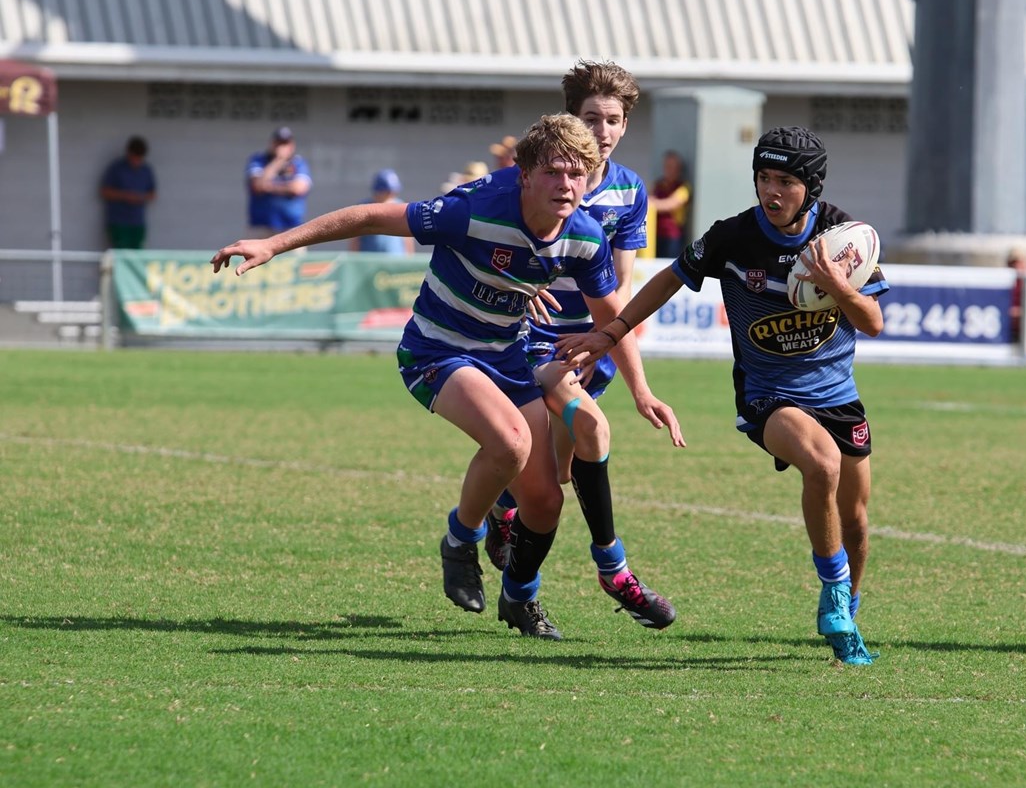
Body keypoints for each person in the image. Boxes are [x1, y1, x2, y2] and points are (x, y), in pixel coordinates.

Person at [211, 113, 683, 640]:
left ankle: (519, 600)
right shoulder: (473, 209)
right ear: (524, 174)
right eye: (554, 172)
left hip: (507, 358)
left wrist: (642, 388)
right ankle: (461, 539)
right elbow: (370, 217)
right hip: (436, 350)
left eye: (578, 174)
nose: (567, 185)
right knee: (511, 442)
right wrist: (273, 244)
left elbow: (609, 318)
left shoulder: (585, 238)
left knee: (546, 501)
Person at [557, 127, 886, 665]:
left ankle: (848, 606)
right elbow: (669, 279)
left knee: (856, 521)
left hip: (838, 393)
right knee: (821, 464)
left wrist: (839, 284)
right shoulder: (734, 237)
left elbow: (871, 322)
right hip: (769, 394)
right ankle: (831, 598)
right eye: (763, 177)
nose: (771, 191)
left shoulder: (843, 238)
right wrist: (612, 332)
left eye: (785, 181)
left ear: (812, 186)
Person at [468, 60, 679, 631]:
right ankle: (614, 570)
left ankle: (501, 514)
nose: (603, 130)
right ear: (570, 118)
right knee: (592, 429)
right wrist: (517, 289)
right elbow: (499, 246)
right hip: (534, 342)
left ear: (626, 124)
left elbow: (621, 289)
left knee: (555, 478)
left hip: (593, 342)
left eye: (613, 119)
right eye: (592, 117)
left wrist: (628, 365)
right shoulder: (545, 176)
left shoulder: (630, 191)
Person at [245, 126, 312, 237]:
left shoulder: (299, 163)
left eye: (285, 143)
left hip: (292, 228)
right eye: (278, 143)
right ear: (272, 143)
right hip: (261, 227)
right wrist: (279, 160)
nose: (281, 147)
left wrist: (270, 187)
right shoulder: (258, 160)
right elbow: (258, 185)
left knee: (295, 255)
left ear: (292, 145)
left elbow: (298, 188)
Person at [99, 136, 157, 249]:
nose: (136, 161)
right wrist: (125, 196)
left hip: (137, 221)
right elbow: (105, 191)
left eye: (139, 158)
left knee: (137, 254)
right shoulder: (117, 169)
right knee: (121, 252)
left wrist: (140, 198)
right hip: (119, 221)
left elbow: (152, 194)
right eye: (134, 157)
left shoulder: (146, 170)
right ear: (129, 154)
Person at [349, 169, 414, 255]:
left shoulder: (401, 207)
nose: (391, 195)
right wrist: (354, 260)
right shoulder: (364, 208)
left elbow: (407, 238)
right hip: (369, 261)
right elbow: (355, 239)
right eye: (387, 192)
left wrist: (409, 259)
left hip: (395, 261)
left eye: (393, 192)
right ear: (378, 191)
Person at [650, 150, 692, 258]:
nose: (669, 170)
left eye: (672, 167)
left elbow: (669, 204)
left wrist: (650, 203)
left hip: (672, 237)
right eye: (667, 166)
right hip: (654, 234)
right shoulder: (659, 184)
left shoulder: (683, 187)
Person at [1006, 248, 1026, 343]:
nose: (1016, 267)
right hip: (1009, 332)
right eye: (1012, 264)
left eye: (1019, 263)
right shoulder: (1005, 284)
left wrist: (1020, 312)